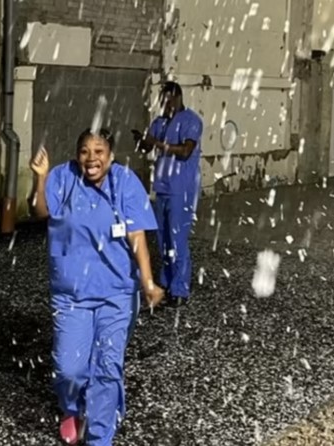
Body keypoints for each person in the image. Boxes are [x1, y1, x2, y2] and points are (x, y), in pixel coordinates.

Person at [28, 128, 165, 445]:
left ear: (111, 155)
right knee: (69, 369)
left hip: (116, 291)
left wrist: (147, 281)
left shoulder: (125, 182)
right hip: (73, 291)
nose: (92, 159)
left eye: (99, 151)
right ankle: (72, 408)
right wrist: (42, 177)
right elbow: (40, 211)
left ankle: (100, 436)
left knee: (106, 366)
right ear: (77, 156)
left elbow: (137, 235)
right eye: (85, 152)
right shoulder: (63, 176)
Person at [133, 81, 203, 305]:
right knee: (163, 239)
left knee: (177, 240)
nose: (166, 104)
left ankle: (180, 290)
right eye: (163, 100)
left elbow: (185, 151)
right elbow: (147, 146)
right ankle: (166, 283)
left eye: (170, 100)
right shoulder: (160, 122)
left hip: (181, 188)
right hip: (162, 187)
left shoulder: (192, 121)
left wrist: (159, 144)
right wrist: (141, 142)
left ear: (179, 98)